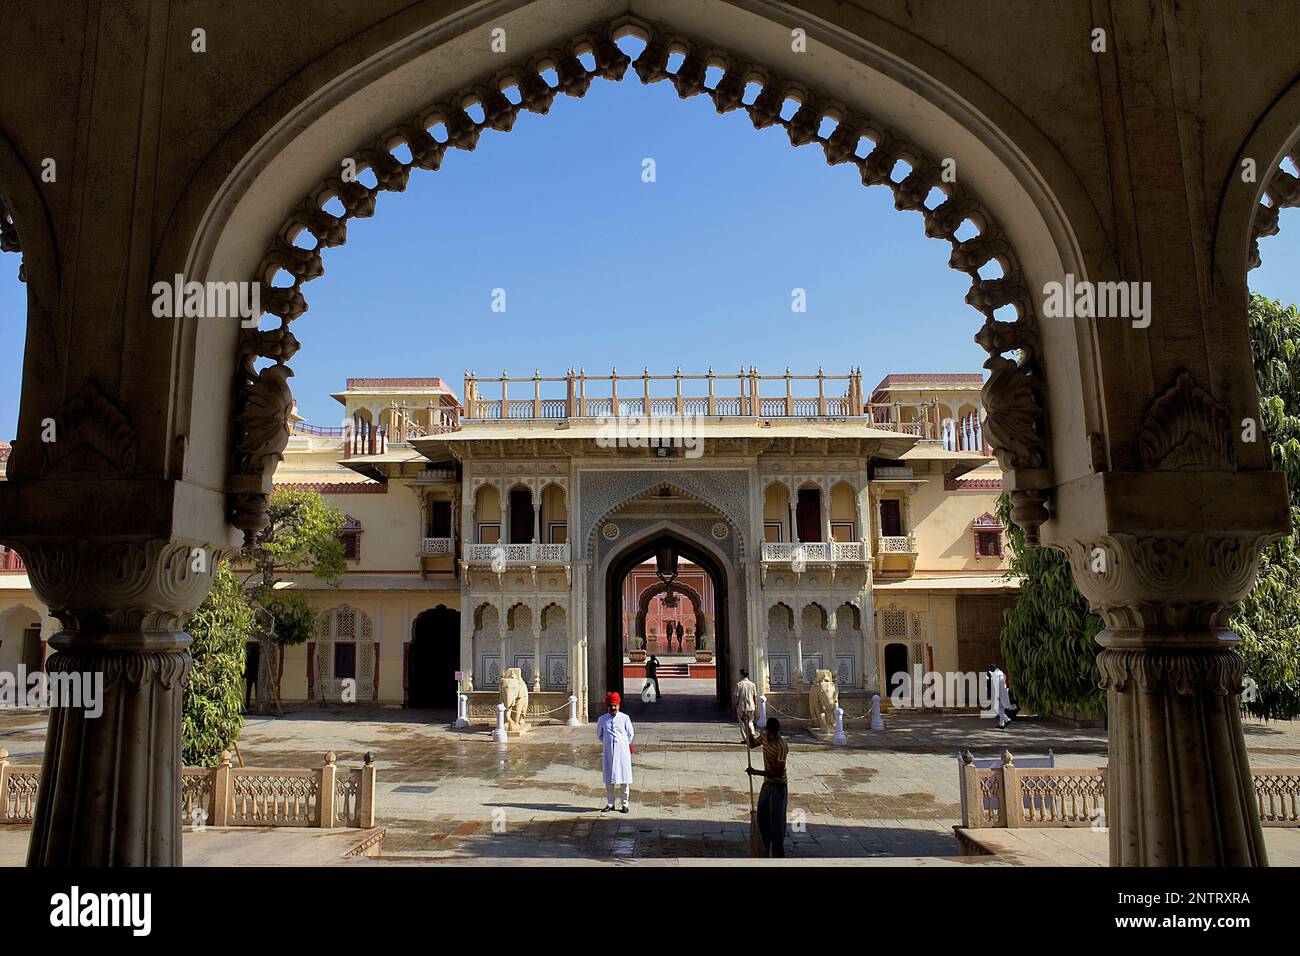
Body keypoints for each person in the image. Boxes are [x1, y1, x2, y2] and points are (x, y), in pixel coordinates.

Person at [744, 718, 789, 857]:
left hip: (779, 787)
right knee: (762, 819)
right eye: (771, 733)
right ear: (767, 730)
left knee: (777, 825)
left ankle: (778, 856)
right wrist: (747, 726)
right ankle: (763, 851)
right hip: (767, 785)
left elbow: (778, 772)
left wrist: (756, 772)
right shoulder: (764, 736)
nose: (772, 737)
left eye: (775, 734)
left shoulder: (782, 745)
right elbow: (751, 744)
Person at [597, 691, 635, 813]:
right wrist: (609, 742)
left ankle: (625, 804)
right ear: (607, 706)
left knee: (624, 779)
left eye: (615, 705)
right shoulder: (602, 719)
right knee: (609, 779)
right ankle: (610, 803)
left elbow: (630, 734)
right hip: (609, 753)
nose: (613, 708)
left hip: (622, 753)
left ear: (619, 706)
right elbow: (600, 735)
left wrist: (621, 743)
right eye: (611, 705)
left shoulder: (625, 718)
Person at [733, 668, 758, 734]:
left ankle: (745, 738)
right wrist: (755, 705)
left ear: (741, 675)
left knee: (742, 723)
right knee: (750, 721)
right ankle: (752, 733)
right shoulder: (752, 684)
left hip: (742, 706)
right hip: (751, 706)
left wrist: (736, 704)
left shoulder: (739, 684)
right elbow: (755, 696)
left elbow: (736, 696)